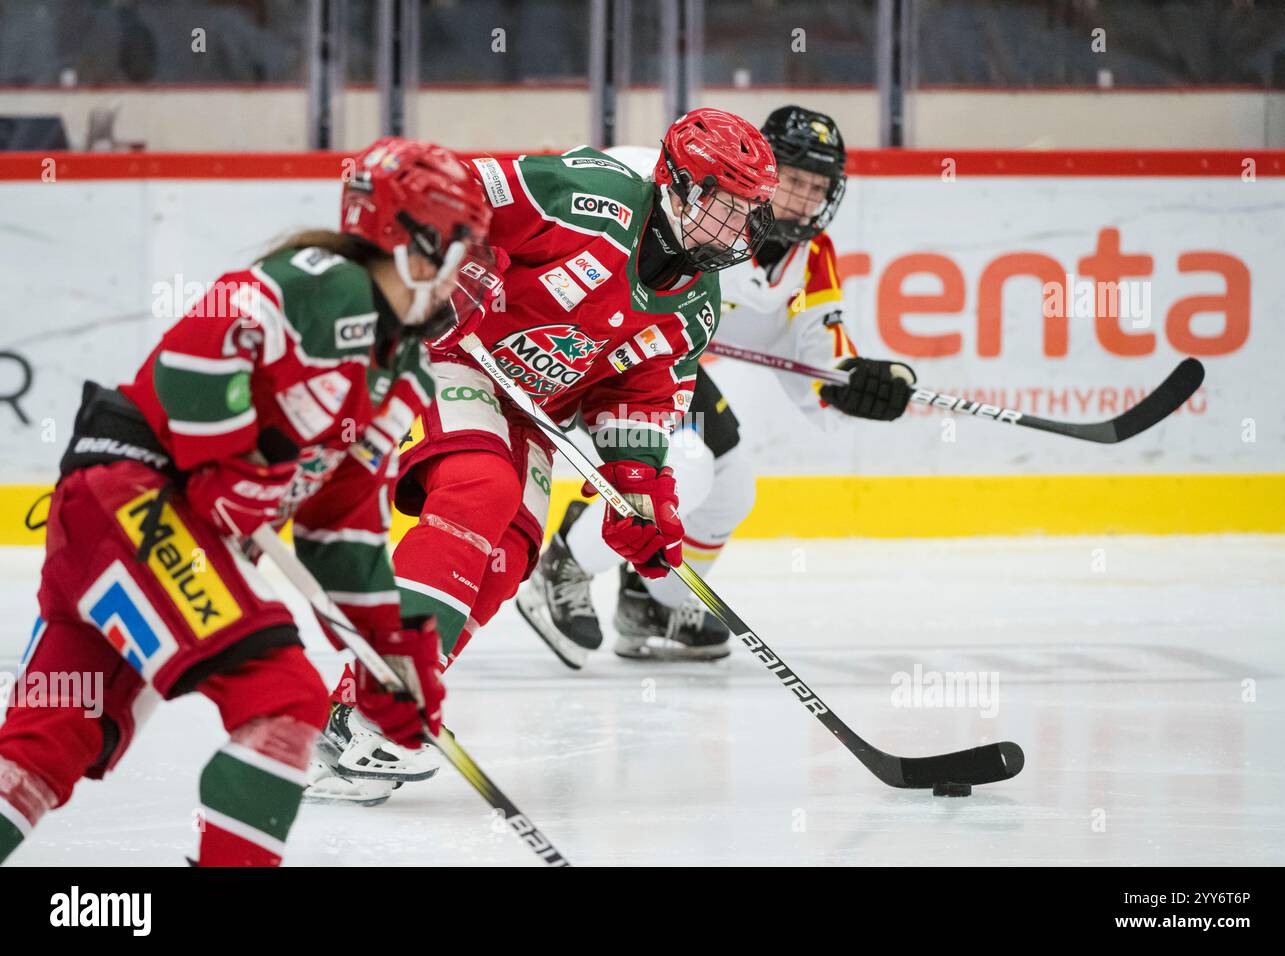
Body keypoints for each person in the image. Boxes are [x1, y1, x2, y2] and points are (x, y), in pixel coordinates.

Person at [0, 137, 495, 865]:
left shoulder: (406, 369)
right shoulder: (323, 282)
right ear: (403, 235)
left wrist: (388, 648)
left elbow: (341, 523)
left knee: (50, 742)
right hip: (134, 504)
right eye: (456, 245)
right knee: (282, 700)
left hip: (120, 530)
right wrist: (225, 463)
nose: (464, 270)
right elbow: (197, 350)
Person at [306, 108, 779, 804]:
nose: (738, 228)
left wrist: (641, 495)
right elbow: (451, 189)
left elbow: (640, 397)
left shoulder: (696, 308)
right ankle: (383, 699)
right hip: (450, 353)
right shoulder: (590, 195)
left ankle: (352, 712)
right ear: (677, 186)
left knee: (511, 553)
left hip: (530, 410)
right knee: (479, 489)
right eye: (724, 204)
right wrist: (444, 261)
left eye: (749, 211)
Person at [517, 106, 916, 667]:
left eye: (817, 187)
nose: (803, 200)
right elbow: (598, 189)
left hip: (672, 360)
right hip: (612, 348)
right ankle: (564, 564)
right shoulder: (704, 203)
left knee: (734, 484)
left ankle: (651, 601)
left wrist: (863, 384)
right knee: (687, 460)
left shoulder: (811, 260)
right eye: (795, 182)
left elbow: (822, 363)